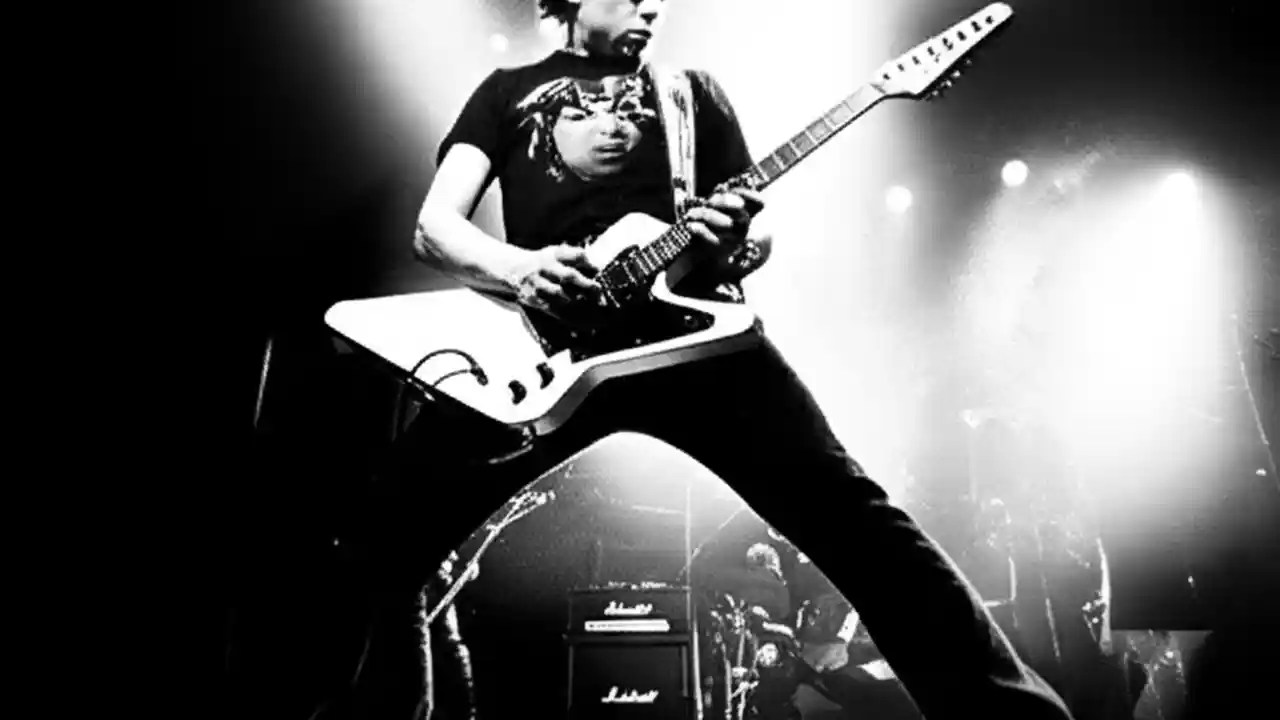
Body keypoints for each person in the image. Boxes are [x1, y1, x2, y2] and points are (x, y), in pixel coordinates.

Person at [373, 1, 1076, 718]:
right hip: (546, 356)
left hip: (695, 341)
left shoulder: (692, 92)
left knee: (857, 523)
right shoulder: (504, 90)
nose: (652, 6)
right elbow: (435, 227)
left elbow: (753, 237)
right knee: (381, 536)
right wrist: (520, 271)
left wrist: (728, 242)